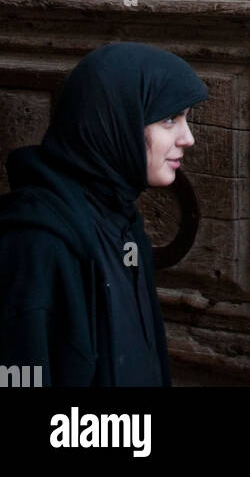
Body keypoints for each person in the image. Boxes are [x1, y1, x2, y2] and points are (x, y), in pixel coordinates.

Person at [0, 42, 208, 387]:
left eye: (186, 118)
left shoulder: (122, 221)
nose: (188, 138)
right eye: (170, 119)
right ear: (116, 121)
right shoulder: (35, 246)